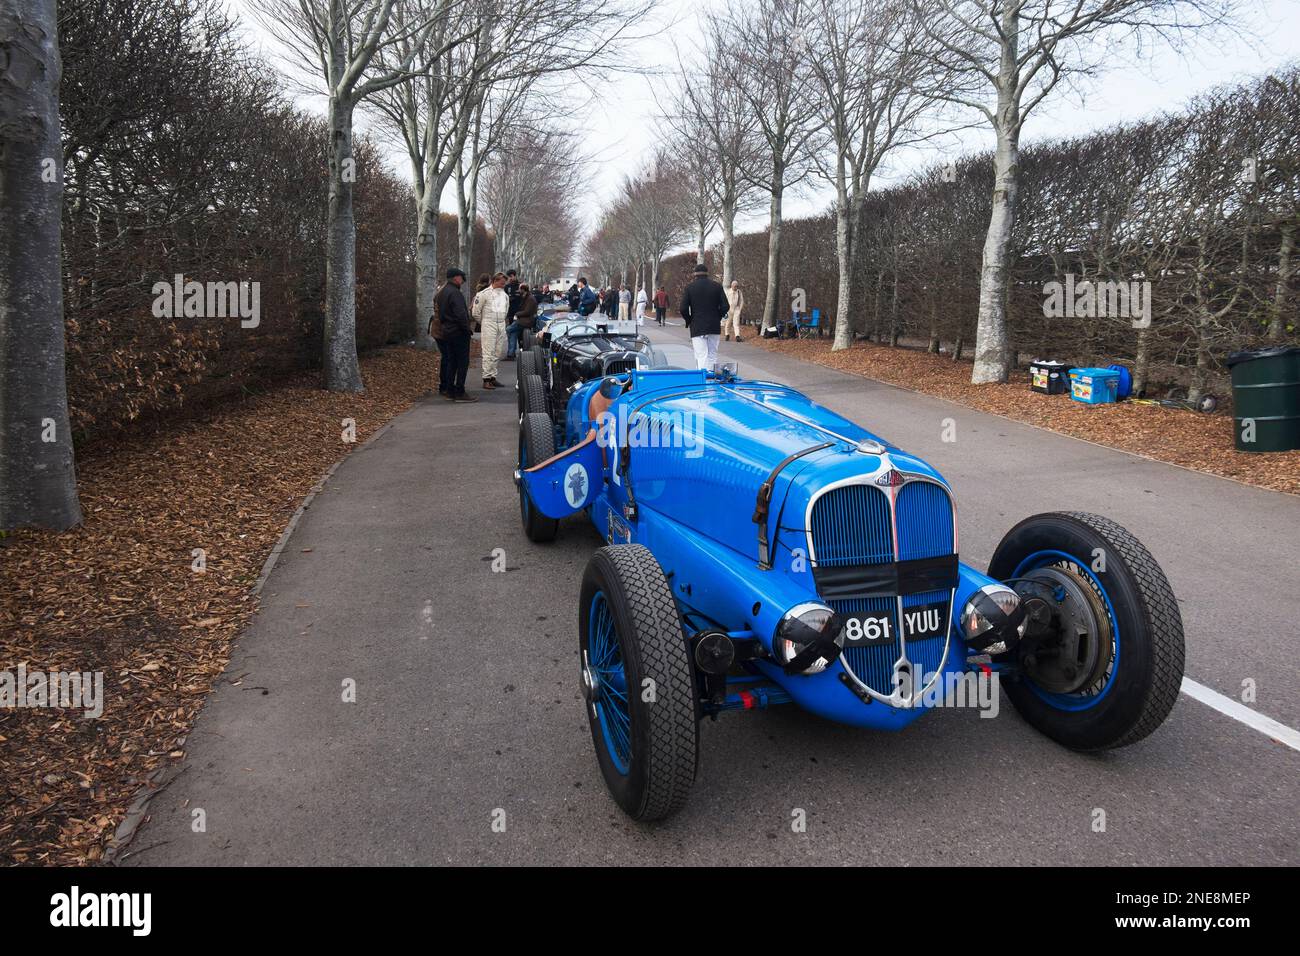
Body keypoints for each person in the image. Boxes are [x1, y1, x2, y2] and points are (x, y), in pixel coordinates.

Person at [434, 267, 475, 402]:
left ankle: (449, 389)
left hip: (447, 331)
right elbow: (461, 314)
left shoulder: (442, 292)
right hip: (458, 331)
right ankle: (460, 391)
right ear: (456, 278)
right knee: (462, 362)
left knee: (451, 361)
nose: (462, 281)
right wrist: (467, 329)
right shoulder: (455, 293)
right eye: (461, 278)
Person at [680, 262, 729, 371]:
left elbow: (683, 308)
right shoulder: (717, 286)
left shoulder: (690, 288)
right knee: (712, 355)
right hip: (714, 325)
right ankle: (711, 379)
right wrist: (718, 316)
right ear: (707, 274)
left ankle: (703, 382)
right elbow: (726, 306)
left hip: (697, 325)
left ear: (695, 275)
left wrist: (689, 320)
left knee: (701, 355)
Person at [473, 271, 510, 389]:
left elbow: (506, 309)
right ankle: (486, 378)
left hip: (500, 324)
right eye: (501, 283)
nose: (503, 285)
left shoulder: (504, 295)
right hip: (489, 323)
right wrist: (484, 322)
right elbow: (475, 312)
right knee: (488, 352)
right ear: (494, 281)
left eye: (504, 283)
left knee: (497, 352)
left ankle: (493, 377)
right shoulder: (483, 294)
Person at [506, 281, 537, 358]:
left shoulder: (530, 298)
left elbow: (528, 311)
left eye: (519, 289)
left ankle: (511, 352)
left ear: (523, 290)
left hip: (525, 321)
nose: (518, 291)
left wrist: (517, 314)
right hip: (523, 320)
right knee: (513, 333)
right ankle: (510, 354)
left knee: (508, 329)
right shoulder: (526, 297)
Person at [503, 270, 521, 358]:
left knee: (517, 333)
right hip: (510, 313)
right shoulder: (507, 287)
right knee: (512, 332)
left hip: (519, 314)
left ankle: (514, 352)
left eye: (512, 276)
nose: (510, 278)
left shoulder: (520, 286)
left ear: (515, 276)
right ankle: (511, 352)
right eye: (509, 276)